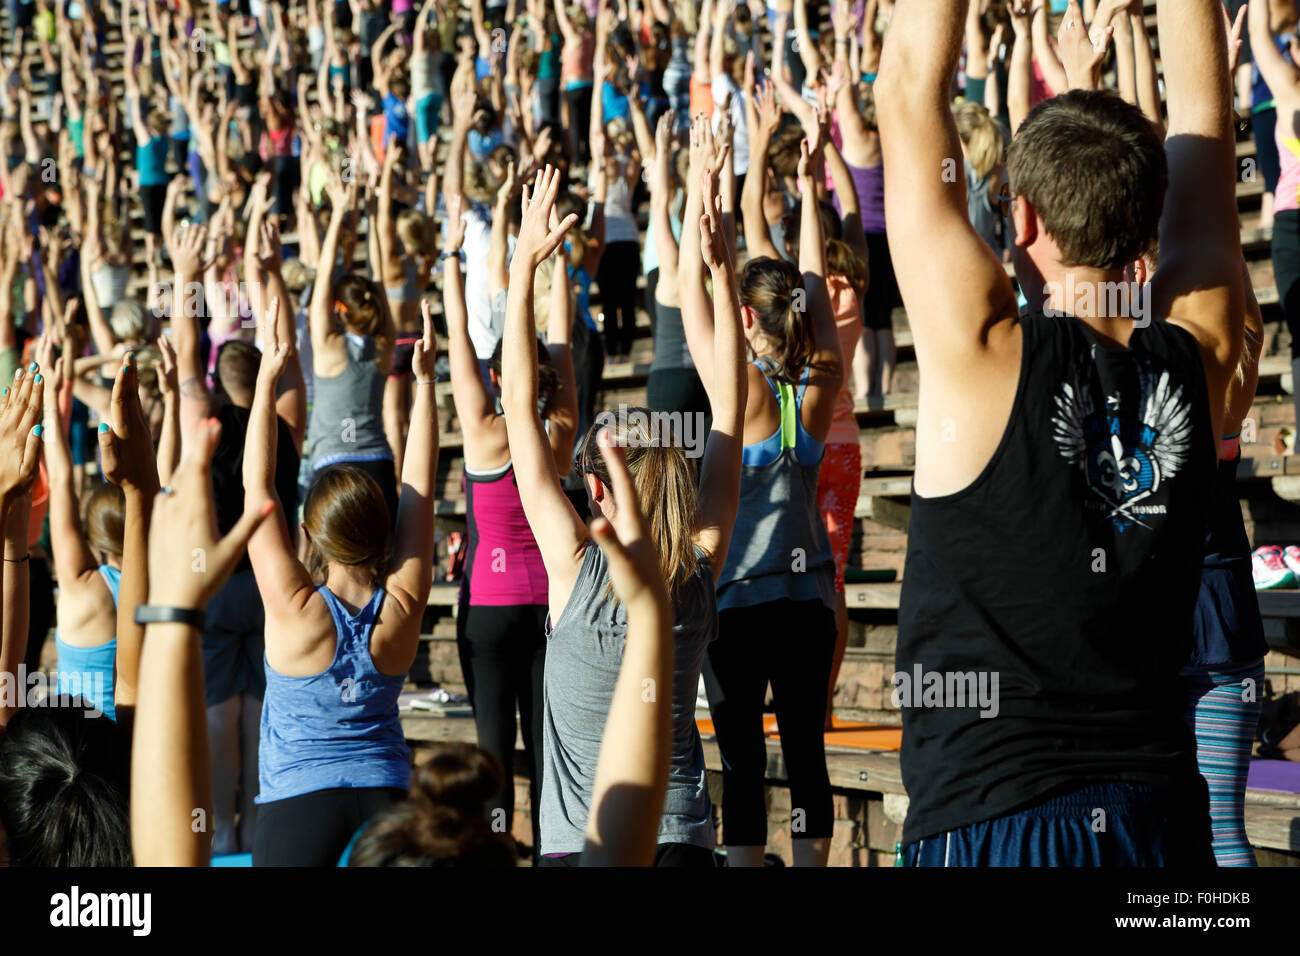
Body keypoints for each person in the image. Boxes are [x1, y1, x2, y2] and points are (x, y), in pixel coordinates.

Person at [876, 0, 1243, 866]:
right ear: (1149, 227)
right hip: (1162, 823)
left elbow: (901, 89)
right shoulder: (1207, 358)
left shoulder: (981, 349)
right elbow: (1204, 127)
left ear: (1027, 220)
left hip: (994, 817)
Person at [501, 163, 745, 867]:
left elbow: (520, 404)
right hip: (684, 843)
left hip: (587, 848)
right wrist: (720, 276)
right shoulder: (699, 567)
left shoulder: (573, 567)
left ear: (600, 492)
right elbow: (727, 410)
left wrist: (526, 270)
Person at [695, 113, 844, 867]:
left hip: (740, 608)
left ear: (746, 319)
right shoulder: (816, 383)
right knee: (809, 757)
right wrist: (810, 186)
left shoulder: (740, 392)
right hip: (806, 604)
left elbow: (702, 294)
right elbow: (813, 294)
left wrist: (706, 191)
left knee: (744, 767)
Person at [243, 293, 439, 867]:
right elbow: (420, 487)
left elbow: (259, 490)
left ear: (311, 532)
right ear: (384, 531)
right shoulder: (402, 602)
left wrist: (267, 380)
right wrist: (424, 384)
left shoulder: (294, 610)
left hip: (298, 806)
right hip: (390, 800)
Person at [443, 188, 578, 854]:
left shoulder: (483, 428)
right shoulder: (562, 426)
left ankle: (495, 855)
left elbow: (461, 351)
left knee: (493, 748)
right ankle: (555, 852)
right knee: (550, 746)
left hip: (490, 610)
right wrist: (561, 268)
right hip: (548, 607)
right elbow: (561, 342)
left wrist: (447, 266)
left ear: (501, 377)